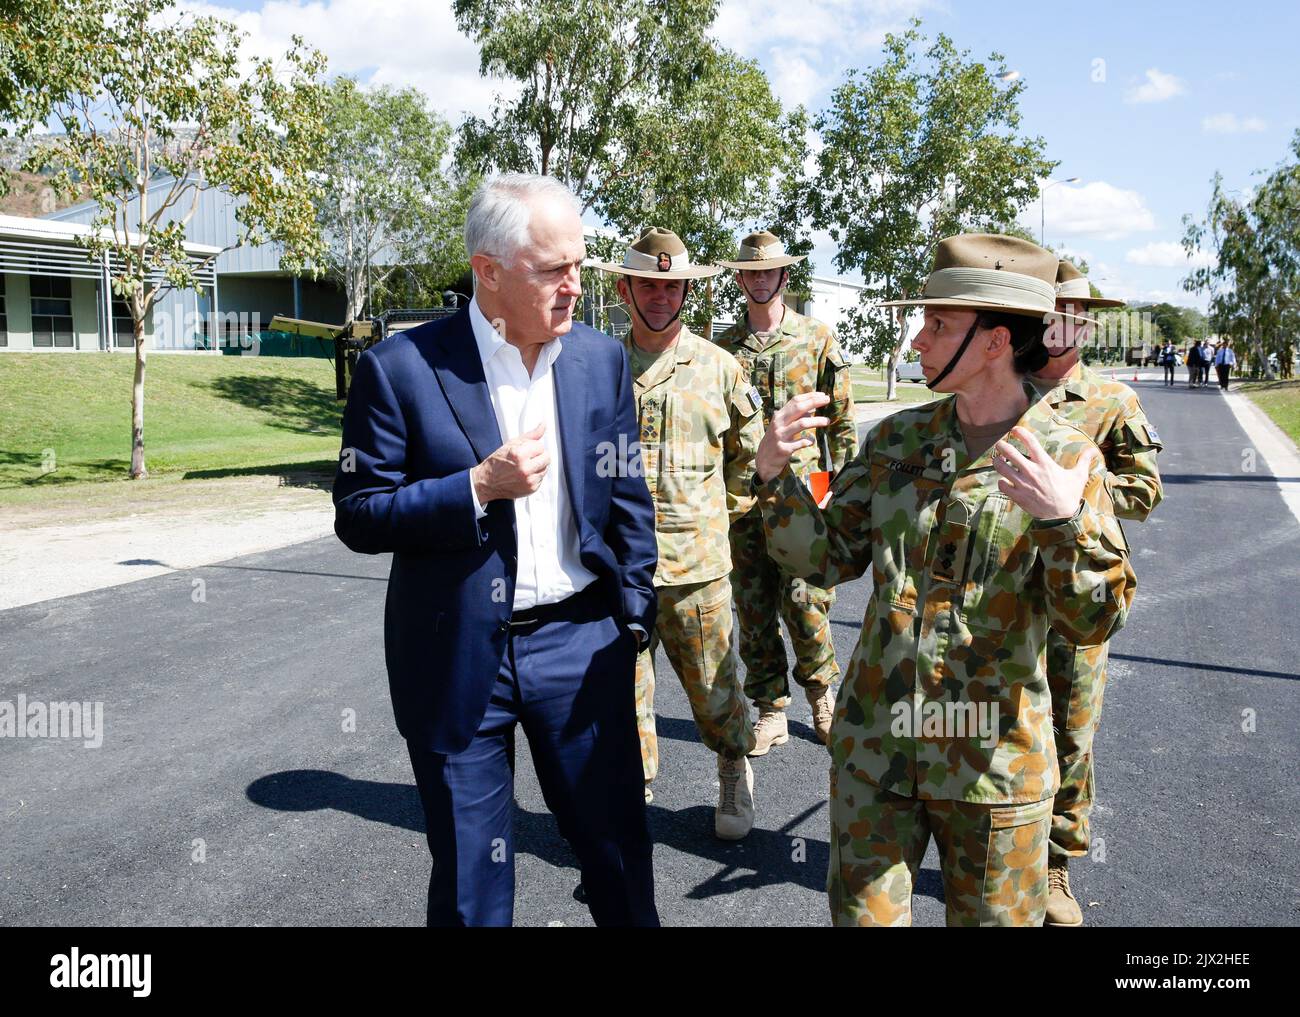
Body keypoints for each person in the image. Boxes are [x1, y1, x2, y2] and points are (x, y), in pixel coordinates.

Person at [752, 234, 1135, 926]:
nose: (918, 340)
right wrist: (776, 479)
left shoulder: (1067, 457)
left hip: (994, 771)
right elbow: (827, 556)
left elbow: (1094, 619)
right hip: (877, 751)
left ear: (994, 341)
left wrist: (1064, 518)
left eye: (937, 325)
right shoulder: (897, 441)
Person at [333, 173, 659, 927]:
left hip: (581, 646)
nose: (575, 287)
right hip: (456, 659)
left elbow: (629, 503)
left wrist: (633, 619)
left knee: (616, 857)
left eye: (579, 264)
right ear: (489, 271)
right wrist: (476, 487)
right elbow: (358, 513)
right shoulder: (401, 370)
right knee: (474, 886)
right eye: (553, 269)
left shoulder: (599, 361)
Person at [593, 227, 762, 839]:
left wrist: (721, 513)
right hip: (617, 569)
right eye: (650, 284)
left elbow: (750, 455)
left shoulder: (719, 368)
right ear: (625, 288)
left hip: (696, 571)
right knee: (621, 699)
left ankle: (733, 767)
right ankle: (631, 803)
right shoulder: (595, 365)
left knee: (715, 695)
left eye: (673, 285)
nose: (662, 295)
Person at [1031, 259, 1164, 925]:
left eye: (1071, 314)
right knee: (991, 725)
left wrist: (1080, 488)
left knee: (1071, 731)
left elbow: (1145, 491)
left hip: (1079, 592)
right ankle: (993, 847)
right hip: (1003, 595)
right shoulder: (1003, 388)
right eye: (1049, 312)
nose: (1059, 325)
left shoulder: (1112, 401)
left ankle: (1056, 864)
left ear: (1086, 322)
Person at [713, 230, 857, 753]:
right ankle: (770, 707)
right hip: (746, 496)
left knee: (806, 598)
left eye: (768, 271)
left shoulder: (816, 338)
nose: (758, 279)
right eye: (749, 272)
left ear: (784, 276)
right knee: (752, 607)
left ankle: (822, 693)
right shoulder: (723, 349)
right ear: (740, 277)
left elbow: (841, 424)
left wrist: (836, 489)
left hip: (805, 490)